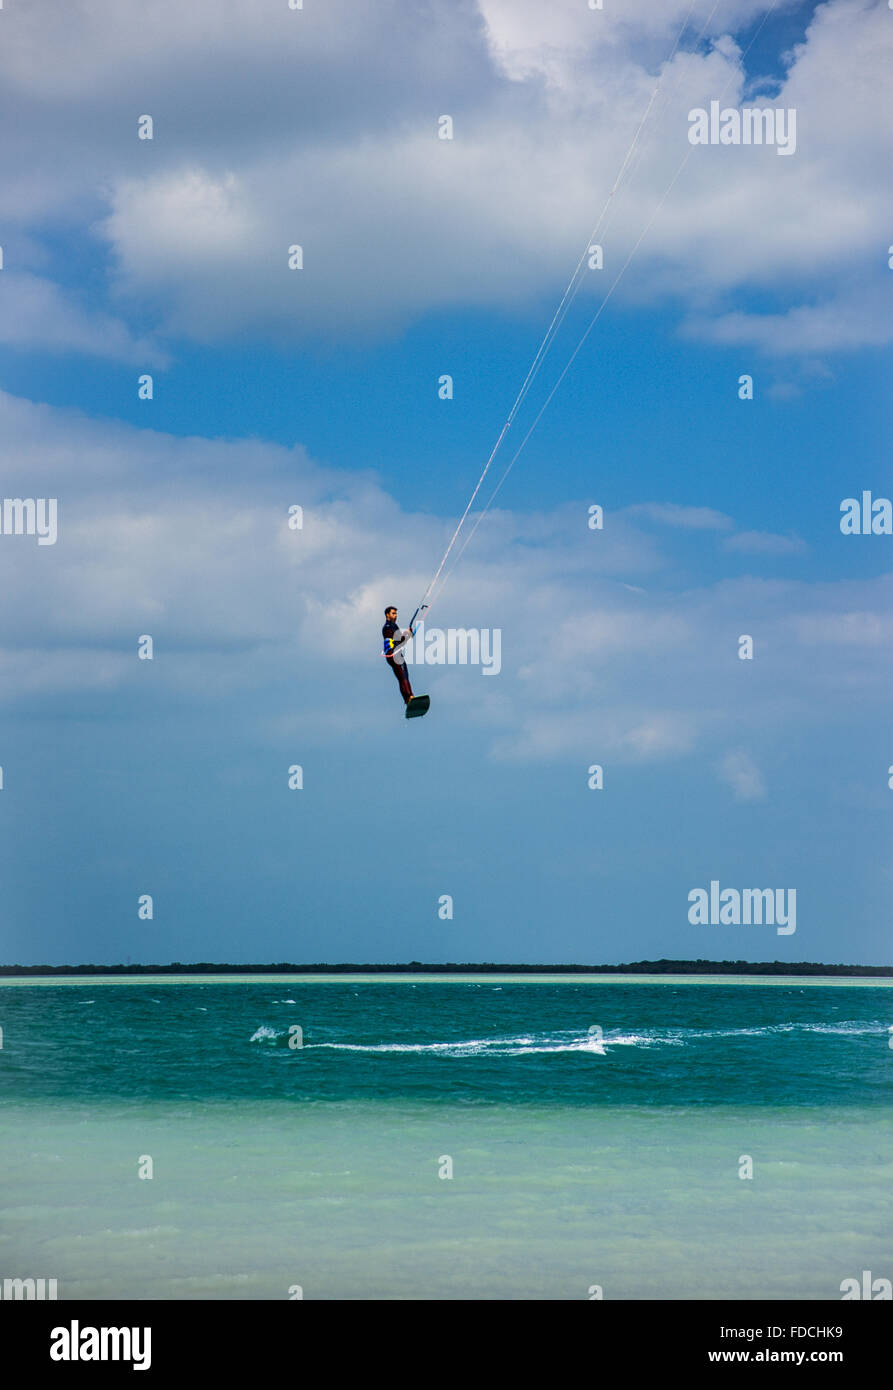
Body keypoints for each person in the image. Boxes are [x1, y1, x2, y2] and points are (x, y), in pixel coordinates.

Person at [382, 605, 414, 705]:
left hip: (390, 657)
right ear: (387, 615)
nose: (396, 616)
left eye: (396, 614)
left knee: (400, 678)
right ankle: (410, 696)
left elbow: (399, 641)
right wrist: (408, 634)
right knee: (404, 676)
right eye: (393, 613)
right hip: (395, 655)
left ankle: (406, 700)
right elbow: (400, 640)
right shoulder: (391, 625)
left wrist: (407, 635)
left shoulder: (385, 627)